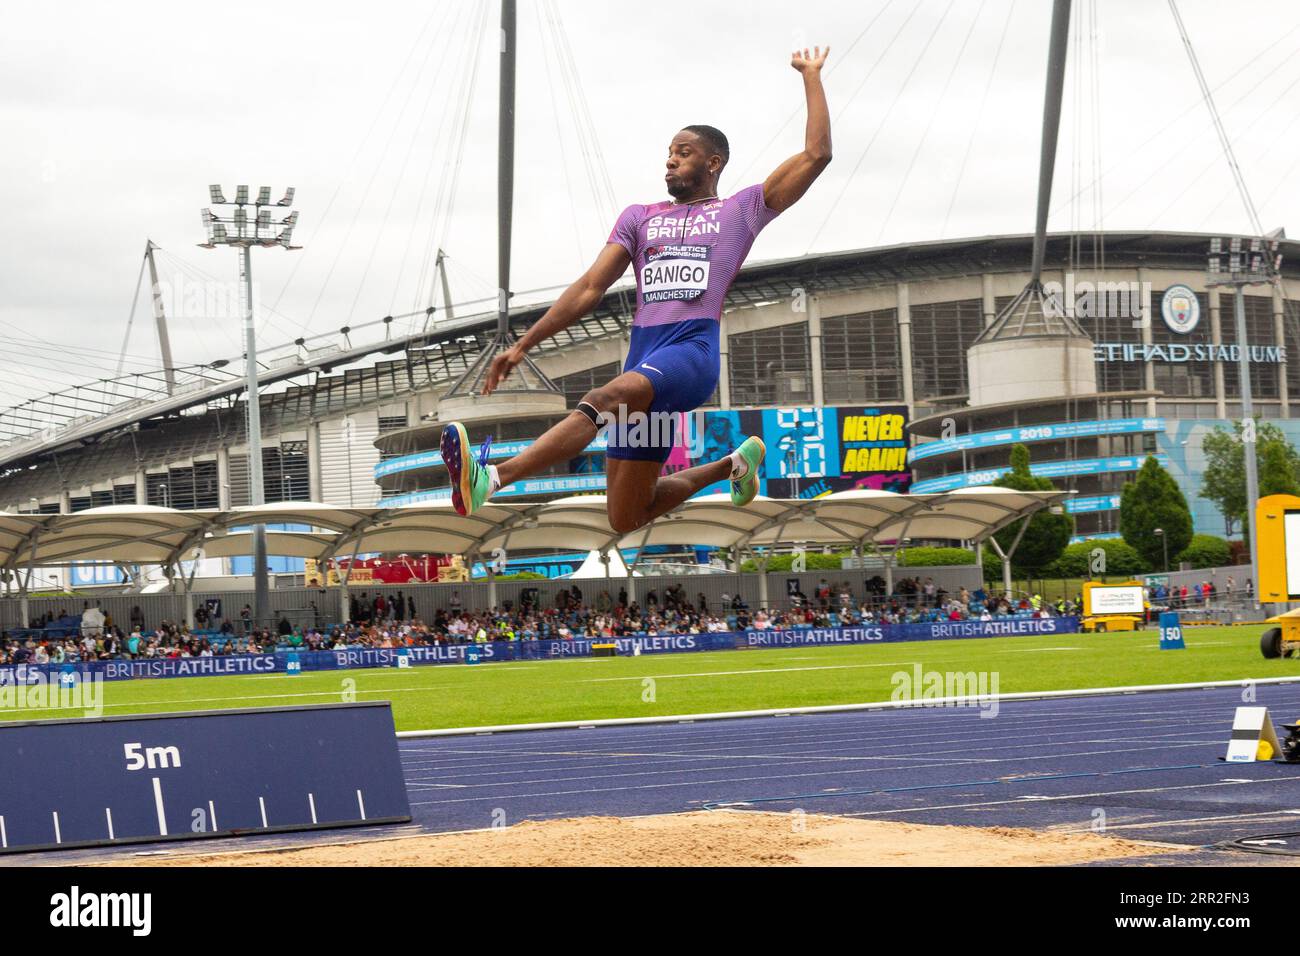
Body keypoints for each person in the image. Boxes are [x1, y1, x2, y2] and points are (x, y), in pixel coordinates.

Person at [440, 47, 833, 533]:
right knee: (627, 515)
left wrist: (811, 76)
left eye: (682, 153)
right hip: (644, 355)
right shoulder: (639, 218)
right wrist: (523, 345)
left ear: (713, 163)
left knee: (607, 396)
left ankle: (492, 477)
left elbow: (818, 154)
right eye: (668, 154)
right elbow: (588, 287)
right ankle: (733, 465)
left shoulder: (741, 210)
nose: (670, 162)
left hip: (689, 353)